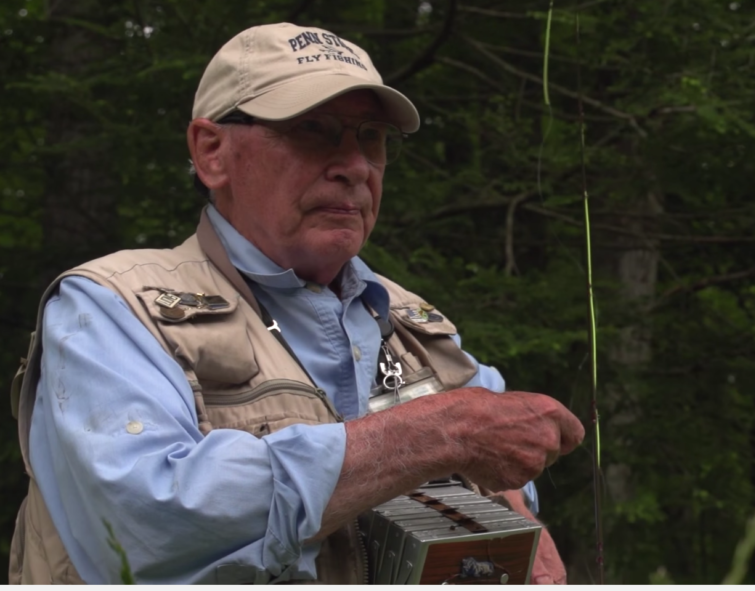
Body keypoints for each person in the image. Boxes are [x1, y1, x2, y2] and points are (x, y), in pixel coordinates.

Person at [8, 22, 584, 584]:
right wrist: (438, 433)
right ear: (212, 152)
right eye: (313, 130)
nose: (354, 166)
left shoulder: (413, 323)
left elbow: (501, 464)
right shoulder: (110, 306)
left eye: (371, 137)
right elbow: (145, 524)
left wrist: (518, 520)